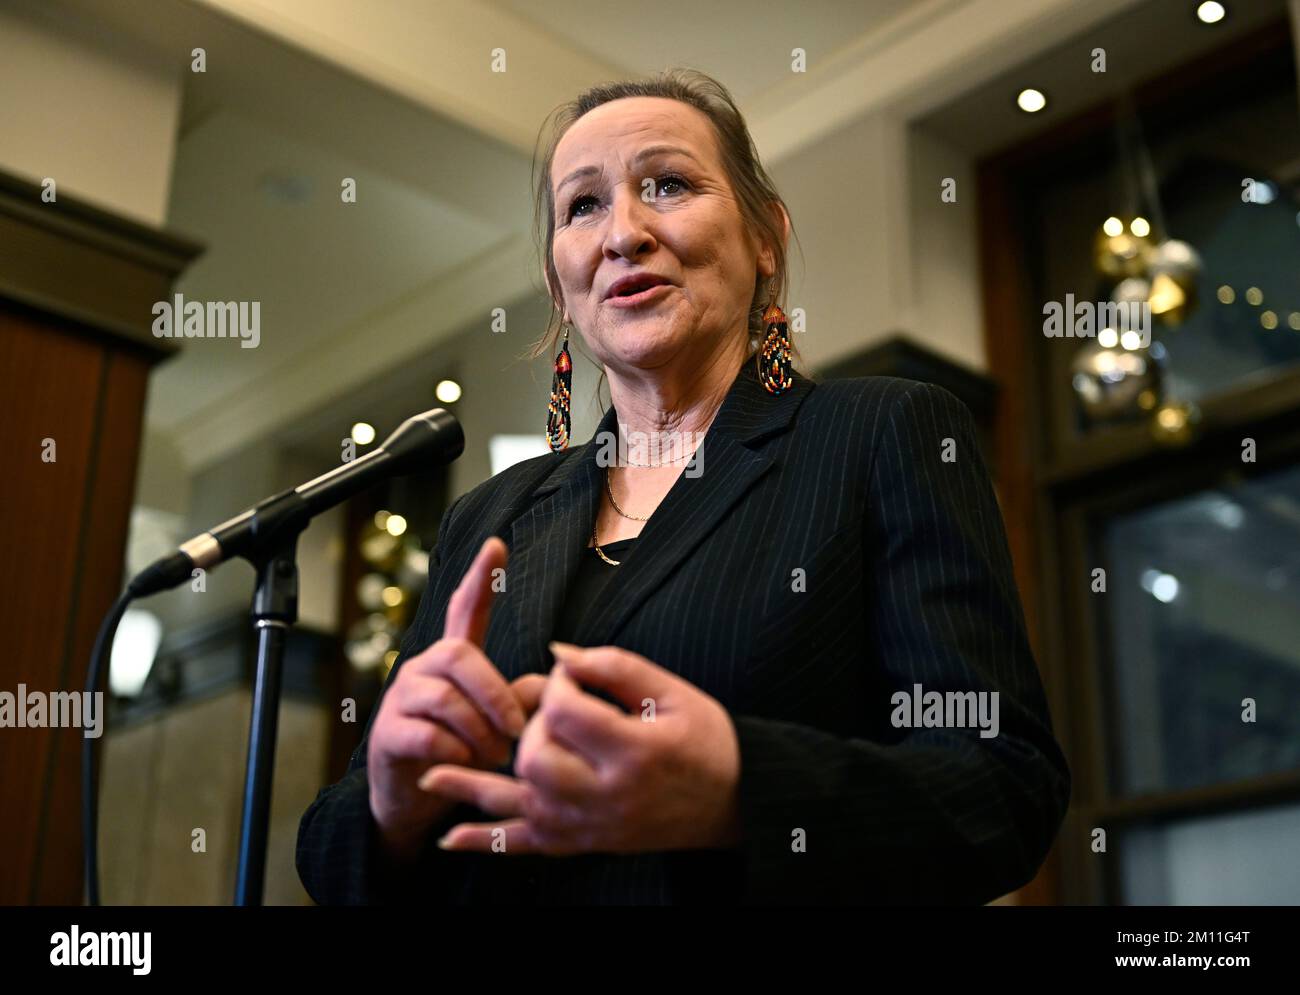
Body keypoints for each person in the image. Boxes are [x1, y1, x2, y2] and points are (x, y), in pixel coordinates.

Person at [296, 68, 1070, 905]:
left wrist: (744, 789)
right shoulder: (490, 515)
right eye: (582, 206)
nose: (623, 233)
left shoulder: (882, 433)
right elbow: (331, 852)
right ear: (559, 284)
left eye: (667, 184)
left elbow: (1002, 786)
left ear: (766, 235)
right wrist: (390, 803)